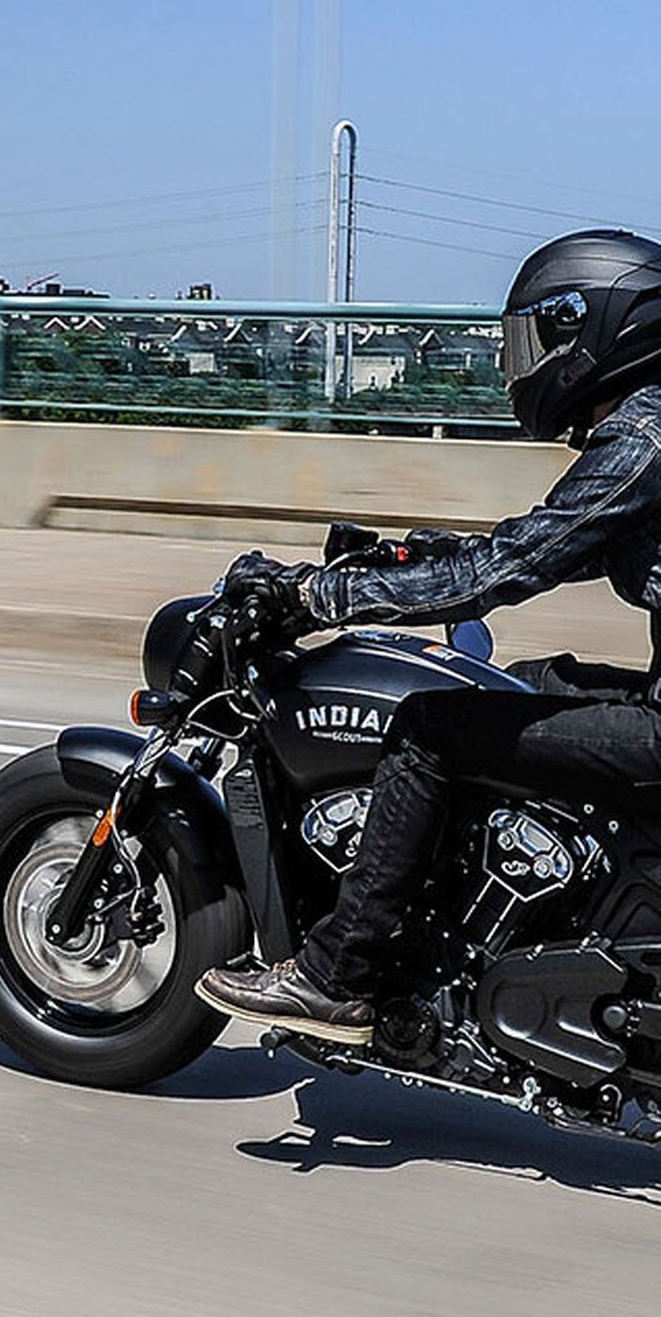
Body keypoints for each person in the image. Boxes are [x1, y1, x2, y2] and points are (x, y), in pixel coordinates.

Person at [196, 228, 661, 1047]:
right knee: (527, 680)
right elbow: (566, 542)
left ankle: (335, 976)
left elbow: (514, 564)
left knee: (431, 728)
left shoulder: (641, 439)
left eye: (530, 341)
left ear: (587, 329)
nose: (522, 365)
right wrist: (418, 555)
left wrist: (322, 595)